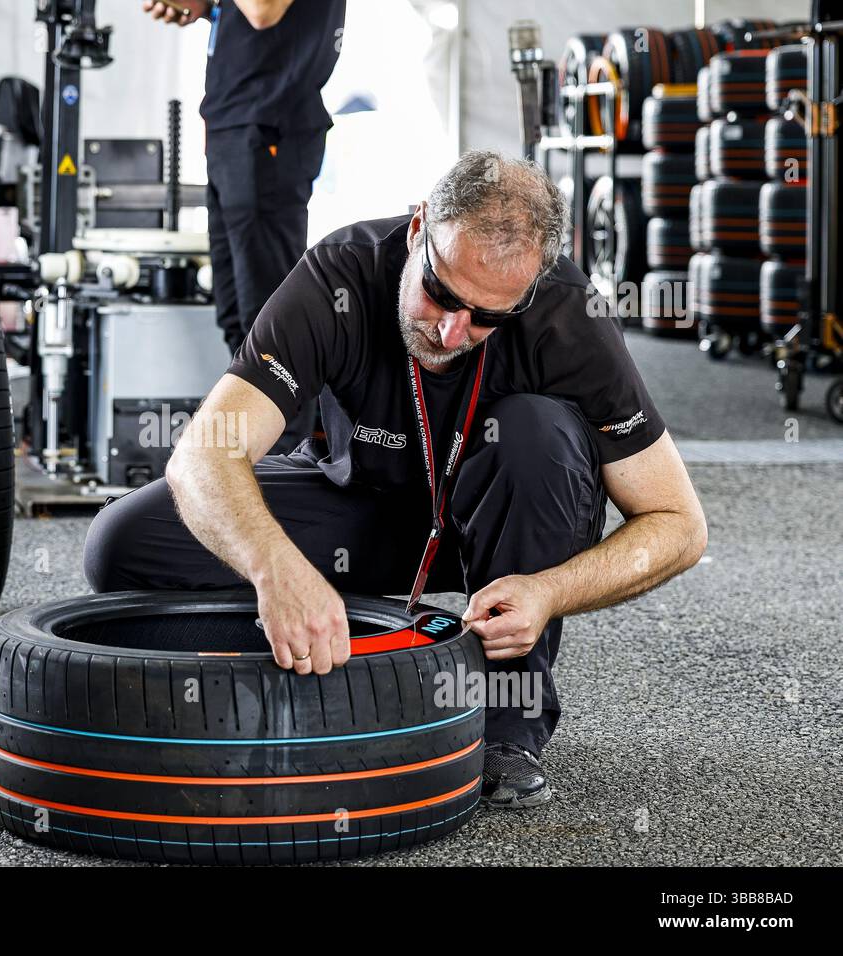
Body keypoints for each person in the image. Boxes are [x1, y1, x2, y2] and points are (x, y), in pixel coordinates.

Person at [84, 151, 709, 808]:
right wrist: (274, 568)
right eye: (440, 294)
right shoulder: (341, 273)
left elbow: (678, 525)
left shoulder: (567, 316)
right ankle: (281, 664)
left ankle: (505, 729)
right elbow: (202, 454)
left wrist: (550, 591)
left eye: (485, 318)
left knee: (537, 433)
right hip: (366, 509)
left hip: (510, 522)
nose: (450, 329)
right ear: (418, 231)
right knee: (124, 541)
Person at [142, 0, 345, 453]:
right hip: (235, 126)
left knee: (269, 318)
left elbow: (263, 9)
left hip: (268, 126)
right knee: (238, 316)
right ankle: (262, 453)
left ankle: (287, 461)